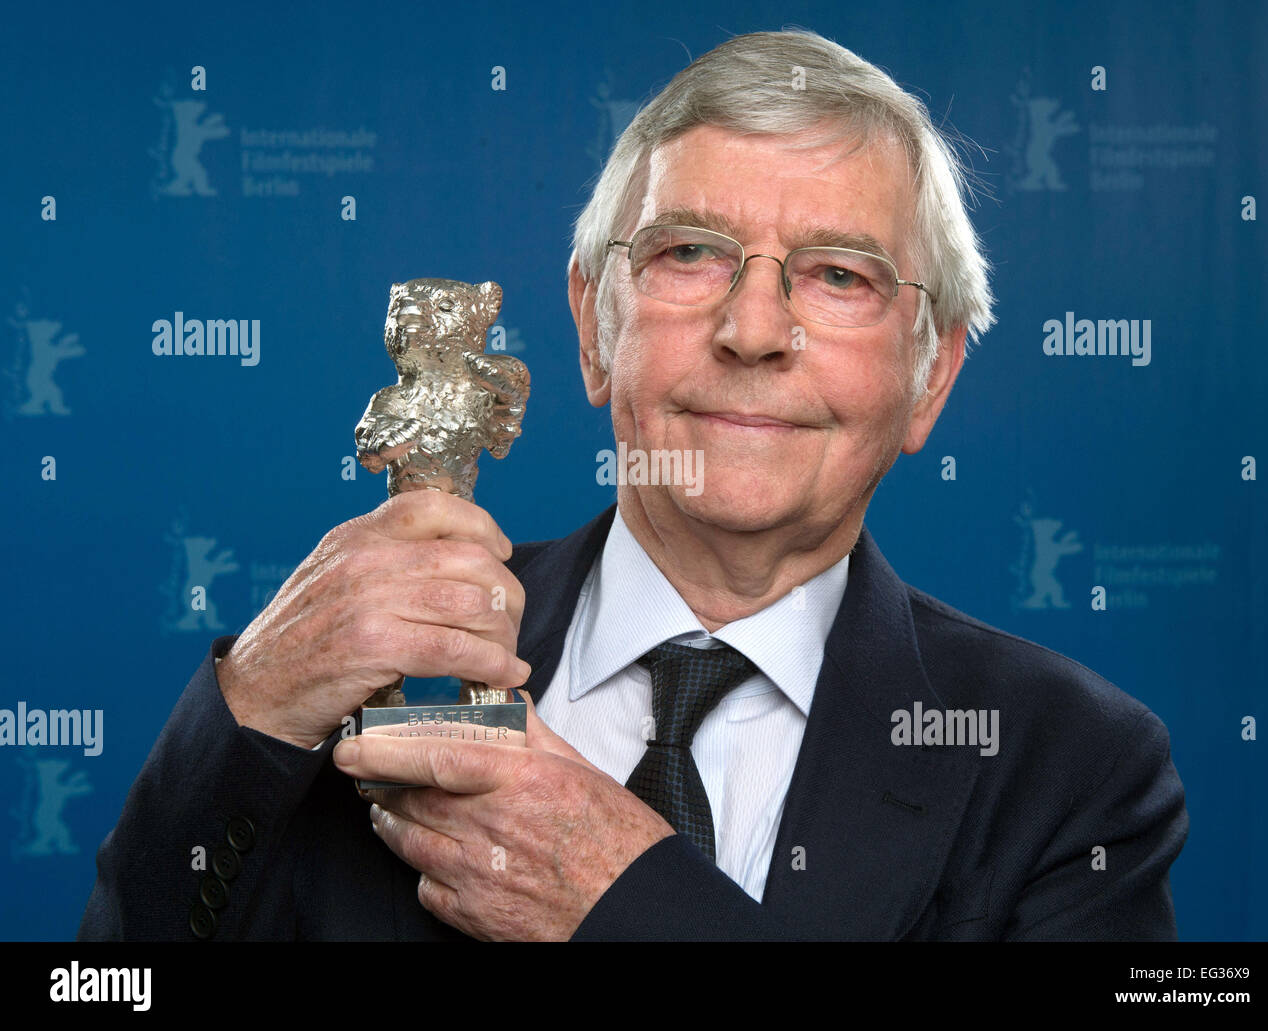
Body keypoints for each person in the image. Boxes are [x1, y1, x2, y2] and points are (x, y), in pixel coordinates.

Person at [79, 29, 1187, 941]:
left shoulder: (1073, 766)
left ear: (929, 374)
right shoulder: (369, 665)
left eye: (840, 275)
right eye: (688, 254)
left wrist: (626, 899)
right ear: (591, 327)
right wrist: (252, 709)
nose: (752, 330)